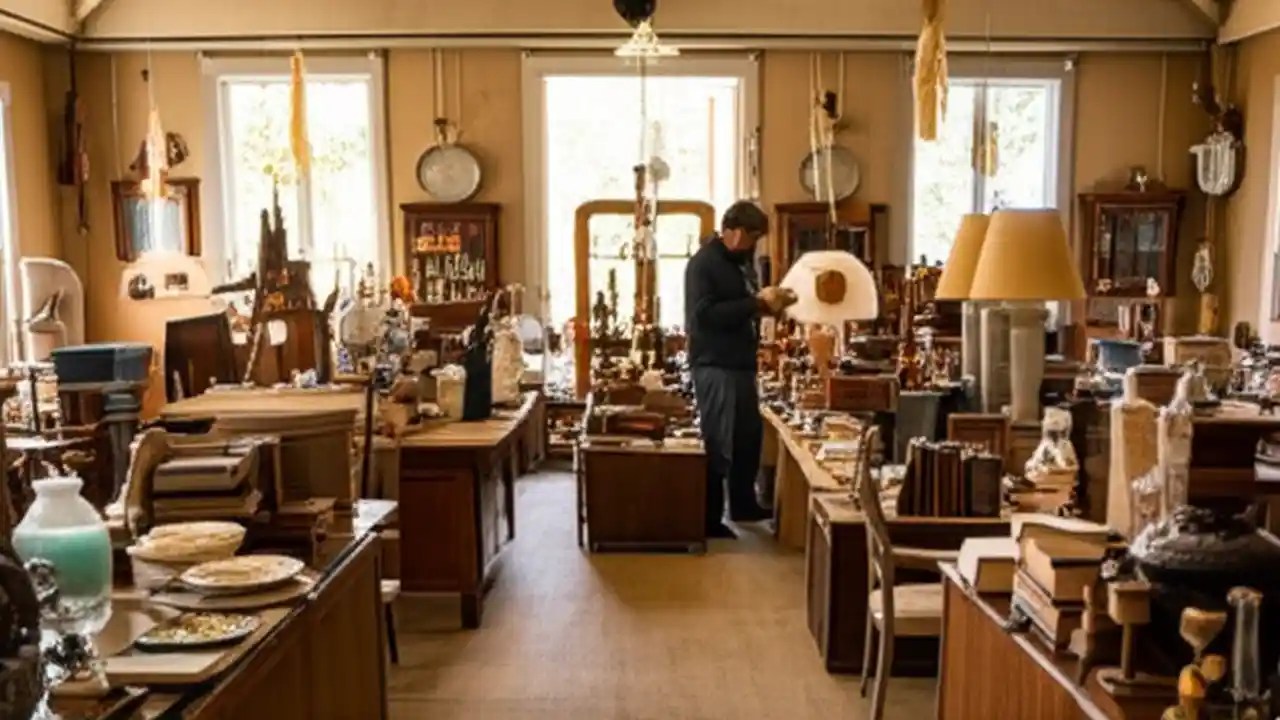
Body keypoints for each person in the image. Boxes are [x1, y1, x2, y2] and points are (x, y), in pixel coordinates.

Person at [685, 201, 797, 538]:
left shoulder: (741, 264)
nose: (753, 245)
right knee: (718, 440)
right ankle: (709, 518)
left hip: (740, 364)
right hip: (715, 364)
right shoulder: (704, 264)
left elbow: (742, 308)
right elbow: (702, 315)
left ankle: (744, 504)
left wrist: (771, 305)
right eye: (750, 237)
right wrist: (755, 303)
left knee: (748, 438)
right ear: (732, 231)